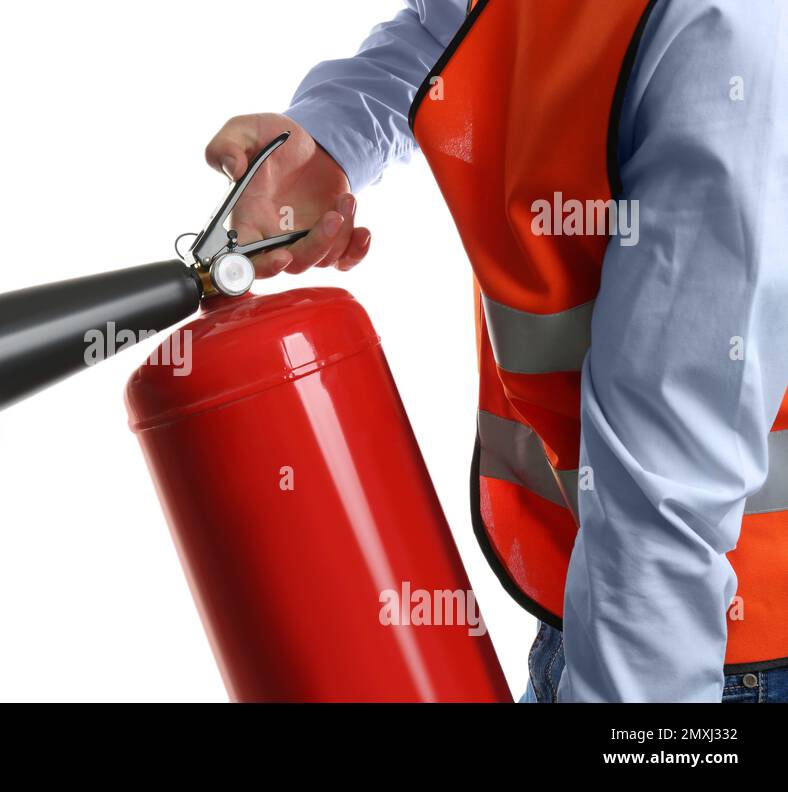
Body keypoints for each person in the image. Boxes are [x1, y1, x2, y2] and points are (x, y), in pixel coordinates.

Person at [205, 0, 788, 702]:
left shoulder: (722, 34)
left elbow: (669, 480)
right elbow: (454, 28)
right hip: (594, 605)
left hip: (706, 652)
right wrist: (331, 135)